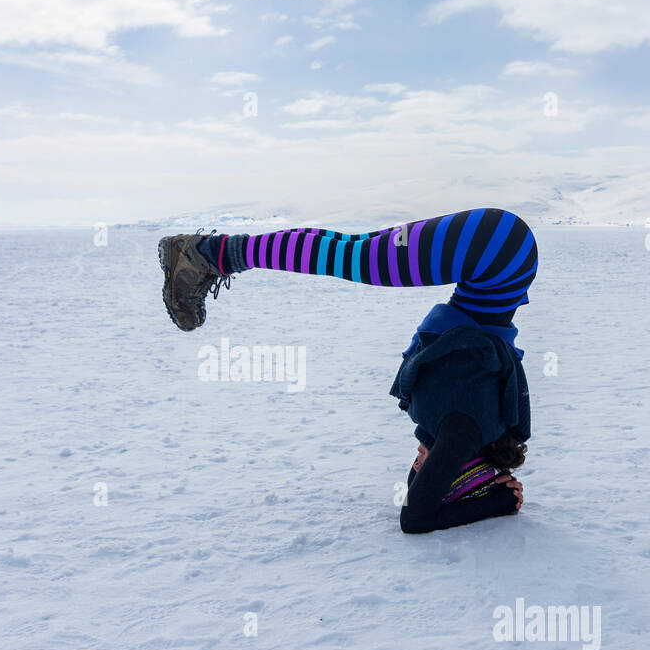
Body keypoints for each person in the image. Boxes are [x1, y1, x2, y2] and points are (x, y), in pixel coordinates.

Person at [158, 208, 536, 533]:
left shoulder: (476, 420)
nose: (420, 462)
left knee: (348, 249)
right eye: (429, 467)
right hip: (495, 251)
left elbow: (423, 490)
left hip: (501, 251)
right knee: (352, 258)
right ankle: (204, 254)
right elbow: (417, 516)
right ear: (460, 469)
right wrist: (495, 503)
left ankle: (209, 254)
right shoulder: (463, 427)